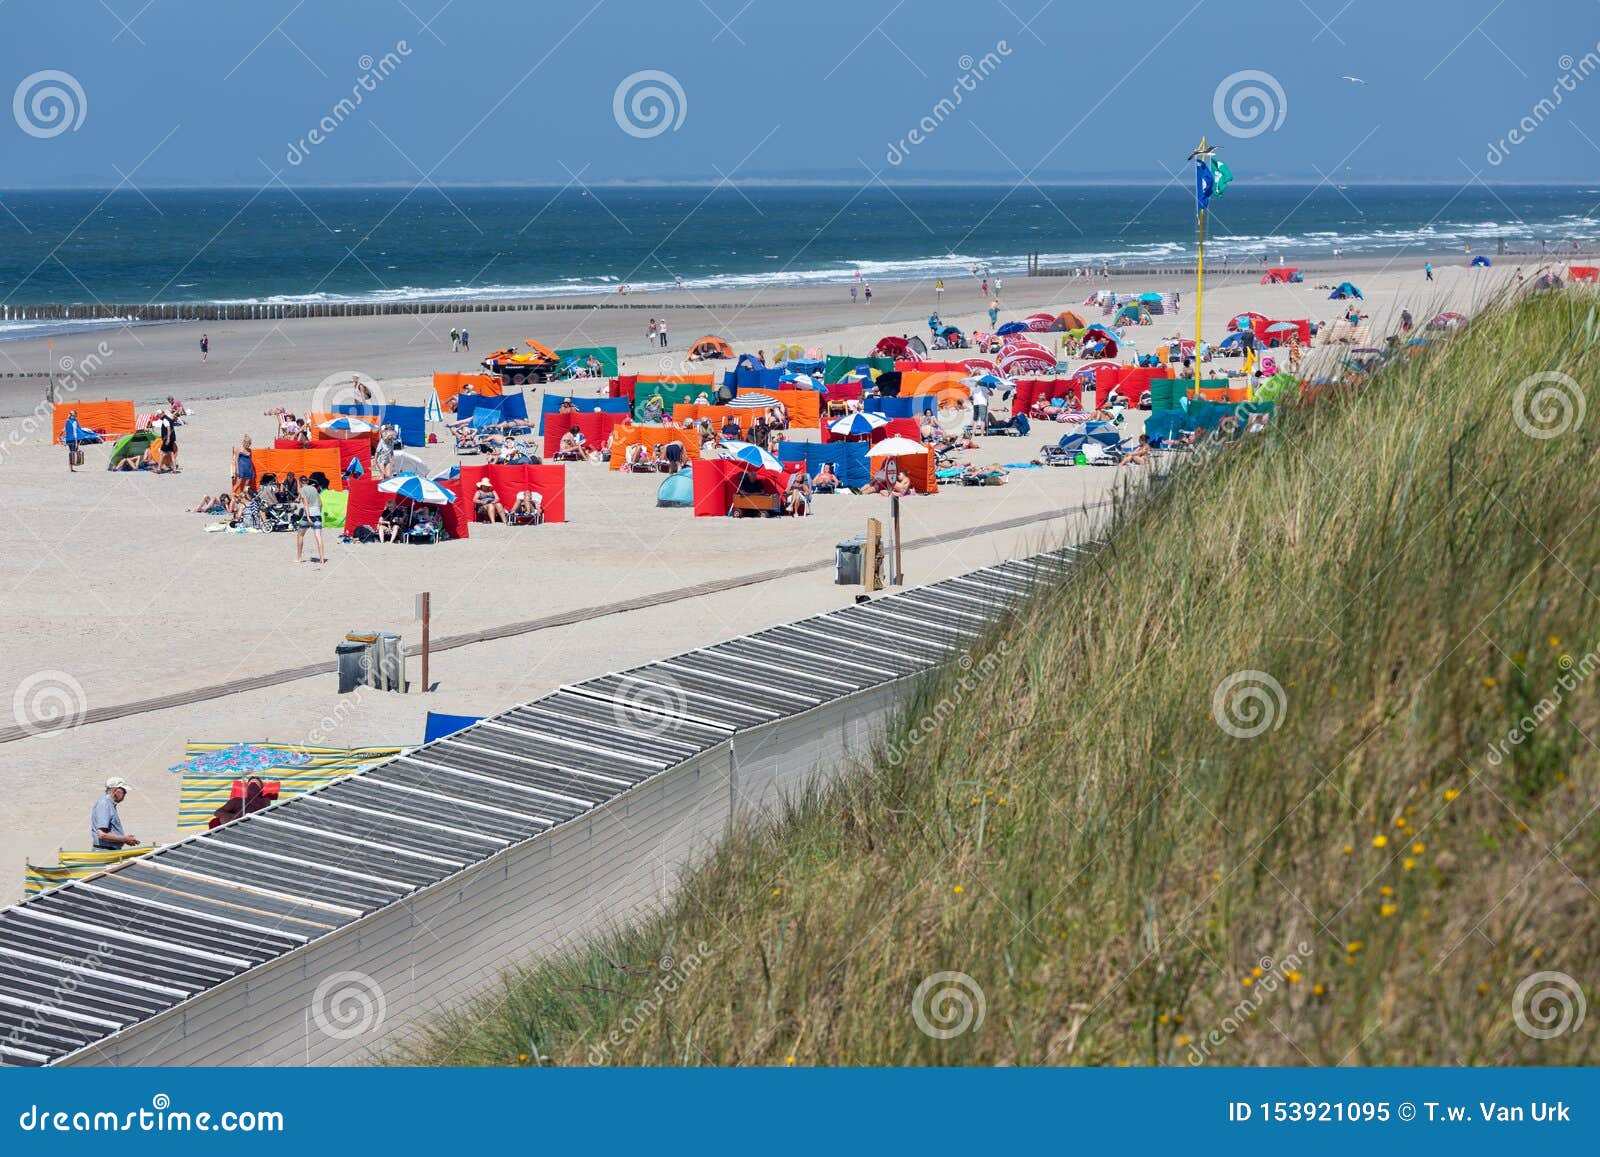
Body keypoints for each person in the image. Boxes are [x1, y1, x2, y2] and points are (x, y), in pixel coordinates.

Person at [92, 778, 139, 850]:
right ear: (116, 791)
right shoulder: (105, 804)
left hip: (109, 850)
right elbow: (102, 834)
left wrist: (124, 839)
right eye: (124, 791)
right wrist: (124, 839)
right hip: (105, 851)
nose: (125, 793)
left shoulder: (109, 804)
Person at [295, 474, 324, 563]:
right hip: (317, 513)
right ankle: (322, 559)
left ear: (300, 482)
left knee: (300, 535)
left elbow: (306, 504)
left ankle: (299, 558)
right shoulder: (314, 489)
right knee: (318, 537)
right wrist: (319, 512)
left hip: (308, 514)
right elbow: (321, 503)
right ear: (307, 481)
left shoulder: (302, 490)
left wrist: (308, 517)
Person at [63, 409, 88, 473]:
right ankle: (73, 466)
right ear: (75, 415)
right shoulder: (74, 421)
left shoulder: (67, 421)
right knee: (73, 452)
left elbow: (64, 430)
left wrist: (64, 440)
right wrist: (77, 442)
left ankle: (71, 468)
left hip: (68, 439)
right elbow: (75, 432)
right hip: (73, 439)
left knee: (71, 453)